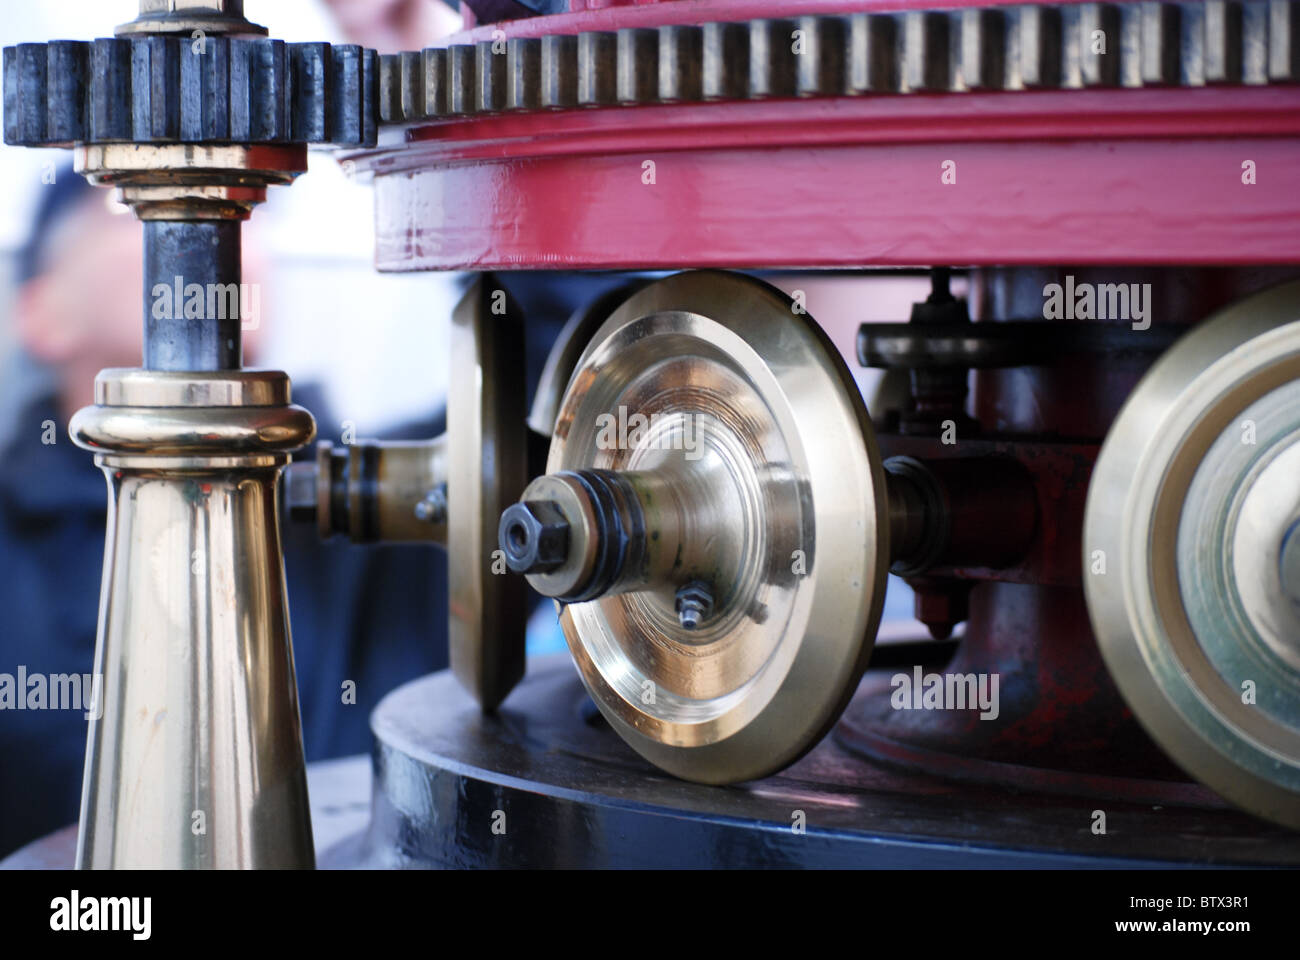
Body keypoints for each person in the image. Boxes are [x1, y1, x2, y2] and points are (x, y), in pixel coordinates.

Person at [0, 170, 449, 857]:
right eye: (132, 209)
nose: (229, 240)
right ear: (41, 313)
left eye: (246, 212)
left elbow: (560, 374)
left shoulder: (385, 506)